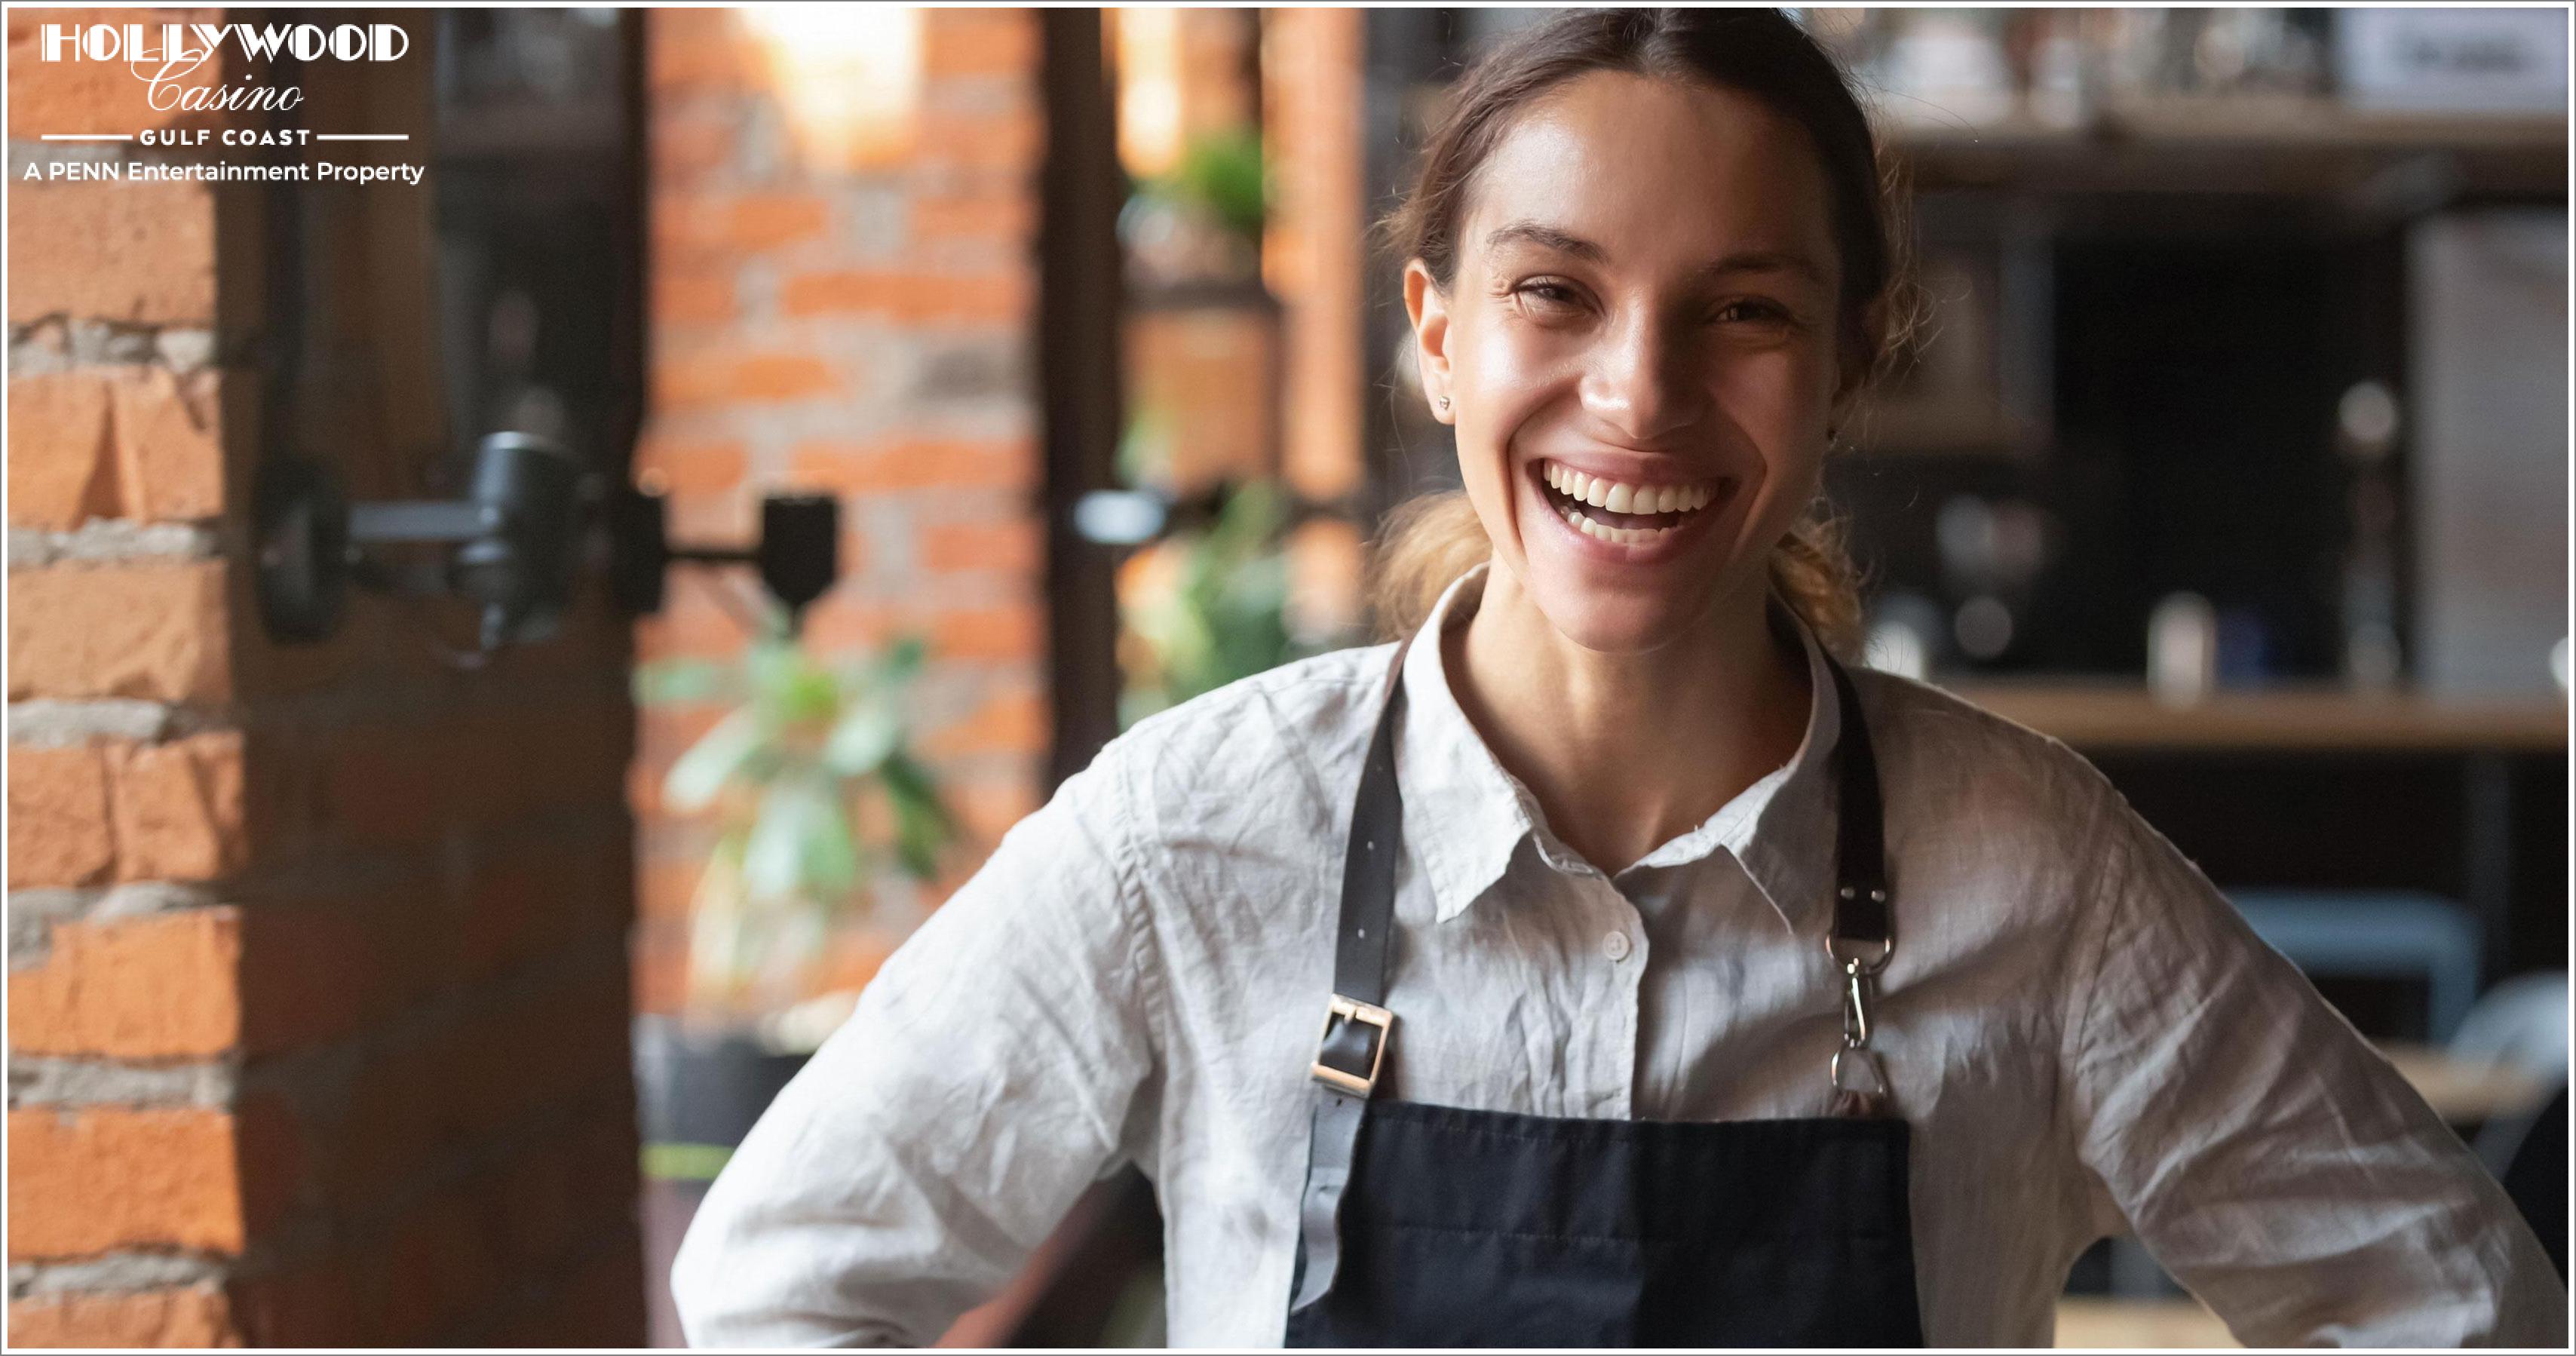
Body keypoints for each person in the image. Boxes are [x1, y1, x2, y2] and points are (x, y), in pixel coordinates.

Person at [671, 9, 2565, 1346]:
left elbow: (2452, 1305)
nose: (1638, 392)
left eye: (1742, 309)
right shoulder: (1197, 833)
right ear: (1435, 334)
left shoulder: (2033, 872)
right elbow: (784, 1285)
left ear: (1847, 361)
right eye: (1553, 291)